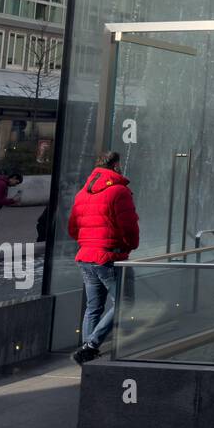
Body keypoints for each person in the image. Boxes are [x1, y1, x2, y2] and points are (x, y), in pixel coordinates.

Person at [68, 151, 140, 365]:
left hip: (86, 257)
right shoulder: (119, 191)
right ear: (115, 166)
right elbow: (129, 226)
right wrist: (128, 246)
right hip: (109, 255)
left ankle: (87, 353)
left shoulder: (82, 193)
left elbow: (73, 228)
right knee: (124, 302)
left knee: (94, 307)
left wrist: (89, 241)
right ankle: (90, 346)